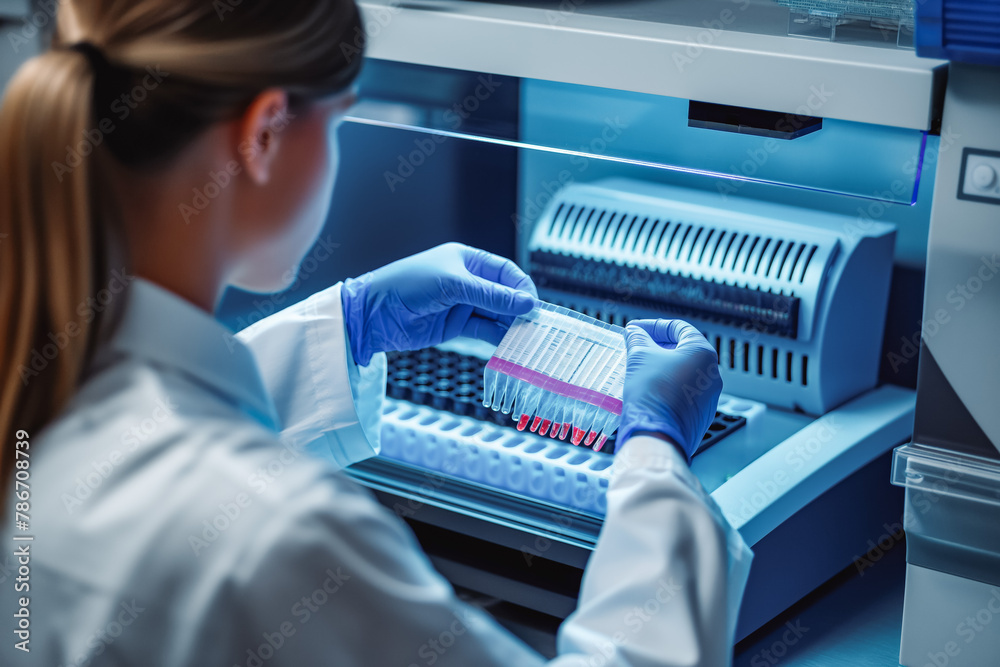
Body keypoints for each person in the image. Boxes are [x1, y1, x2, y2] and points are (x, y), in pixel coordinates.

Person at [0, 1, 751, 665]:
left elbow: (151, 437)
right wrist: (656, 461)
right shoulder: (285, 538)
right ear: (264, 134)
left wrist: (349, 327)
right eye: (339, 119)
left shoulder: (29, 381)